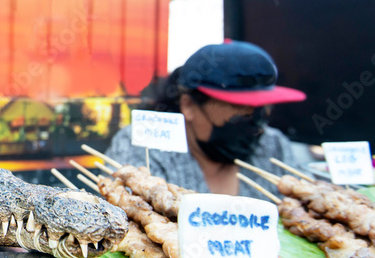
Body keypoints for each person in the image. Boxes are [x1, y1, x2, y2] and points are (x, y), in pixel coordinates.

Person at [105, 41, 307, 200]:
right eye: (238, 108)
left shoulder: (274, 147)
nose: (254, 123)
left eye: (262, 107)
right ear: (189, 106)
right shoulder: (142, 146)